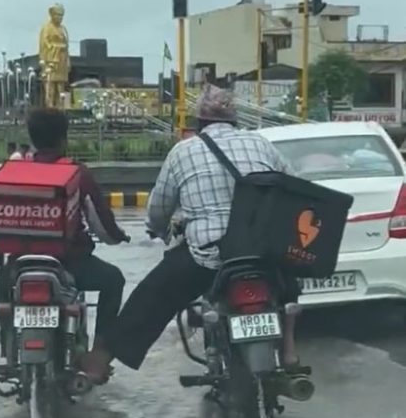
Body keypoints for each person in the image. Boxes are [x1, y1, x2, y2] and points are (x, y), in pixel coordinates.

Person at [79, 85, 297, 382]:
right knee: (288, 287)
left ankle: (101, 360)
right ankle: (289, 348)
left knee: (151, 296)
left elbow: (159, 209)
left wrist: (159, 230)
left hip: (210, 256)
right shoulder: (261, 144)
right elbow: (293, 186)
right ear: (235, 120)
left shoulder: (183, 151)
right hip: (262, 251)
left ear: (199, 123)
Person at [0, 107, 130, 356]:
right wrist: (117, 237)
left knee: (2, 285)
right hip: (71, 264)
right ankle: (100, 353)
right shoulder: (77, 174)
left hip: (21, 265)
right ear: (63, 138)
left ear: (32, 138)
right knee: (114, 280)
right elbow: (101, 224)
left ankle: (7, 350)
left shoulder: (15, 172)